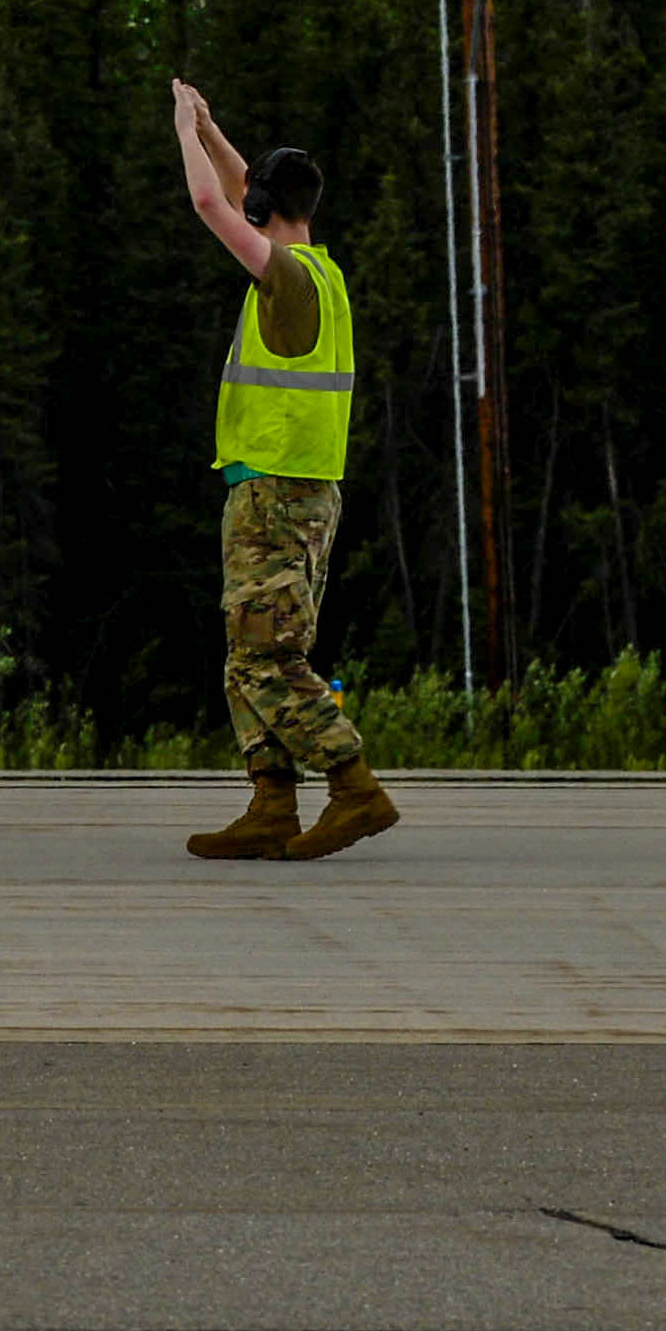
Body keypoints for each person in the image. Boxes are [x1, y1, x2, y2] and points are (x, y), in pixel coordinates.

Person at [169, 83, 396, 862]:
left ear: (266, 209)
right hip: (302, 492)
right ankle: (272, 801)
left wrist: (181, 132)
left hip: (274, 494)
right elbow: (237, 189)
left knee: (270, 655)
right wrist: (211, 125)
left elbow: (210, 200)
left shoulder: (286, 281)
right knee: (249, 650)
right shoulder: (320, 272)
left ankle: (352, 782)